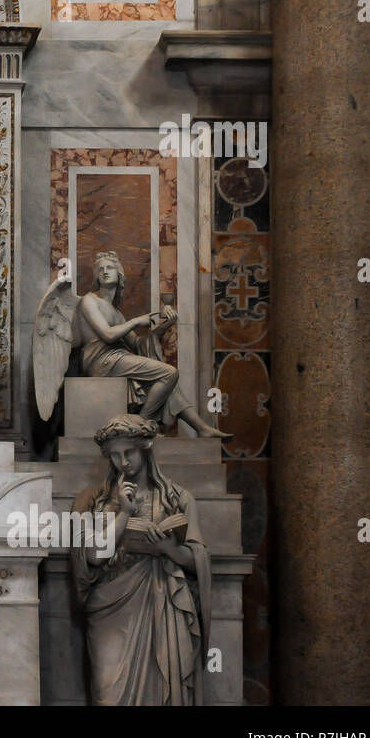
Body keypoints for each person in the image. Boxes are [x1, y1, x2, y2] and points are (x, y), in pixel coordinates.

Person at [72, 414, 211, 705]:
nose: (123, 462)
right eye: (114, 456)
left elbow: (196, 556)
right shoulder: (90, 500)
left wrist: (168, 549)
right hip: (110, 610)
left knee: (164, 689)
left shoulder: (179, 498)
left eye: (129, 453)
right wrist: (124, 514)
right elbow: (94, 556)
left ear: (146, 448)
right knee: (108, 693)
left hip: (163, 600)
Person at [75, 251, 229, 438]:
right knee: (168, 373)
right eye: (100, 269)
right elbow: (107, 335)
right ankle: (142, 424)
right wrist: (136, 321)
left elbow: (138, 342)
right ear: (96, 276)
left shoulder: (115, 311)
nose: (105, 271)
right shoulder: (89, 301)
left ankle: (201, 428)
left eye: (110, 268)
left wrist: (166, 325)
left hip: (117, 359)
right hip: (101, 362)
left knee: (167, 384)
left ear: (119, 274)